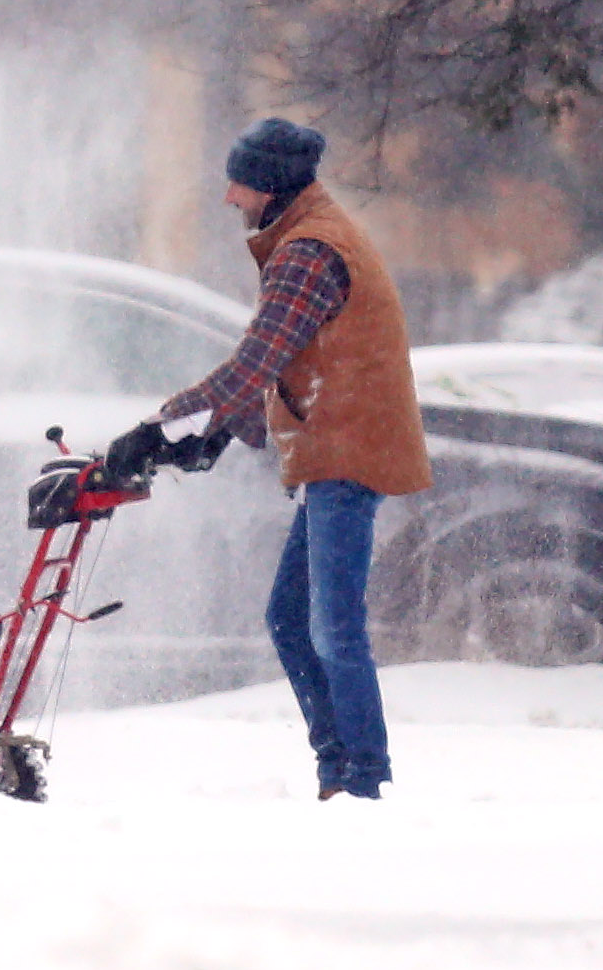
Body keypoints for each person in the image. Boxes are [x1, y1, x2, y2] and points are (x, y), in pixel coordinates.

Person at [152, 116, 431, 800]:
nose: (230, 198)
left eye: (240, 183)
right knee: (290, 619)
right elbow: (290, 360)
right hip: (331, 444)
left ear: (272, 186)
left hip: (347, 449)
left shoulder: (310, 251)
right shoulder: (310, 236)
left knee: (334, 627)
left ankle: (361, 778)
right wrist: (217, 431)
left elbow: (257, 360)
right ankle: (338, 766)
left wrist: (162, 423)